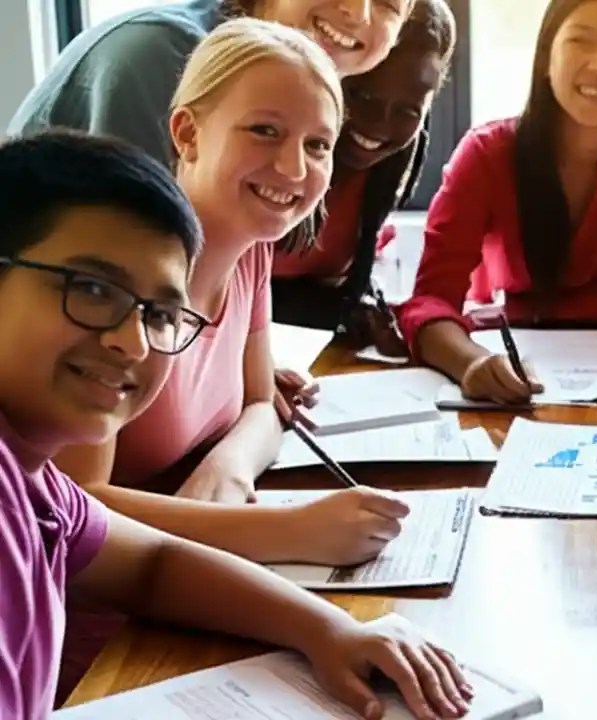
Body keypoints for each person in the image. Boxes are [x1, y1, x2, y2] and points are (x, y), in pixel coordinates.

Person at [0, 130, 471, 720]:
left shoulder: (31, 479)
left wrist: (329, 627)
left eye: (161, 314)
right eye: (93, 289)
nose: (129, 341)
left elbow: (152, 566)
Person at [51, 19, 422, 695]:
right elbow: (79, 509)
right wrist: (286, 529)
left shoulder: (249, 252)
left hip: (196, 590)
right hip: (101, 638)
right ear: (187, 133)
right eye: (265, 132)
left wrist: (227, 465)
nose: (294, 170)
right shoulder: (126, 278)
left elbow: (263, 404)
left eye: (317, 145)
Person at [396, 0, 597, 405]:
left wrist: (531, 310)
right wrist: (472, 364)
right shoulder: (486, 152)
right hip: (512, 365)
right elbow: (429, 302)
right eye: (580, 41)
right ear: (545, 58)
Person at [9, 0, 409, 166]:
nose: (358, 12)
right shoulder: (166, 56)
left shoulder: (298, 101)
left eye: (390, 2)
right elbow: (127, 275)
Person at [272, 0, 457, 346]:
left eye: (408, 109)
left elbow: (347, 286)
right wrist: (331, 312)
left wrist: (363, 306)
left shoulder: (397, 158)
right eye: (363, 95)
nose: (379, 125)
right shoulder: (274, 156)